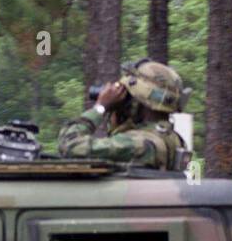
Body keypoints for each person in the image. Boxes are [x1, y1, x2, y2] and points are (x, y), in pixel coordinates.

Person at [57, 59, 188, 169]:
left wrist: (100, 107)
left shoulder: (137, 143)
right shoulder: (173, 139)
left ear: (136, 102)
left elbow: (69, 146)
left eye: (126, 95)